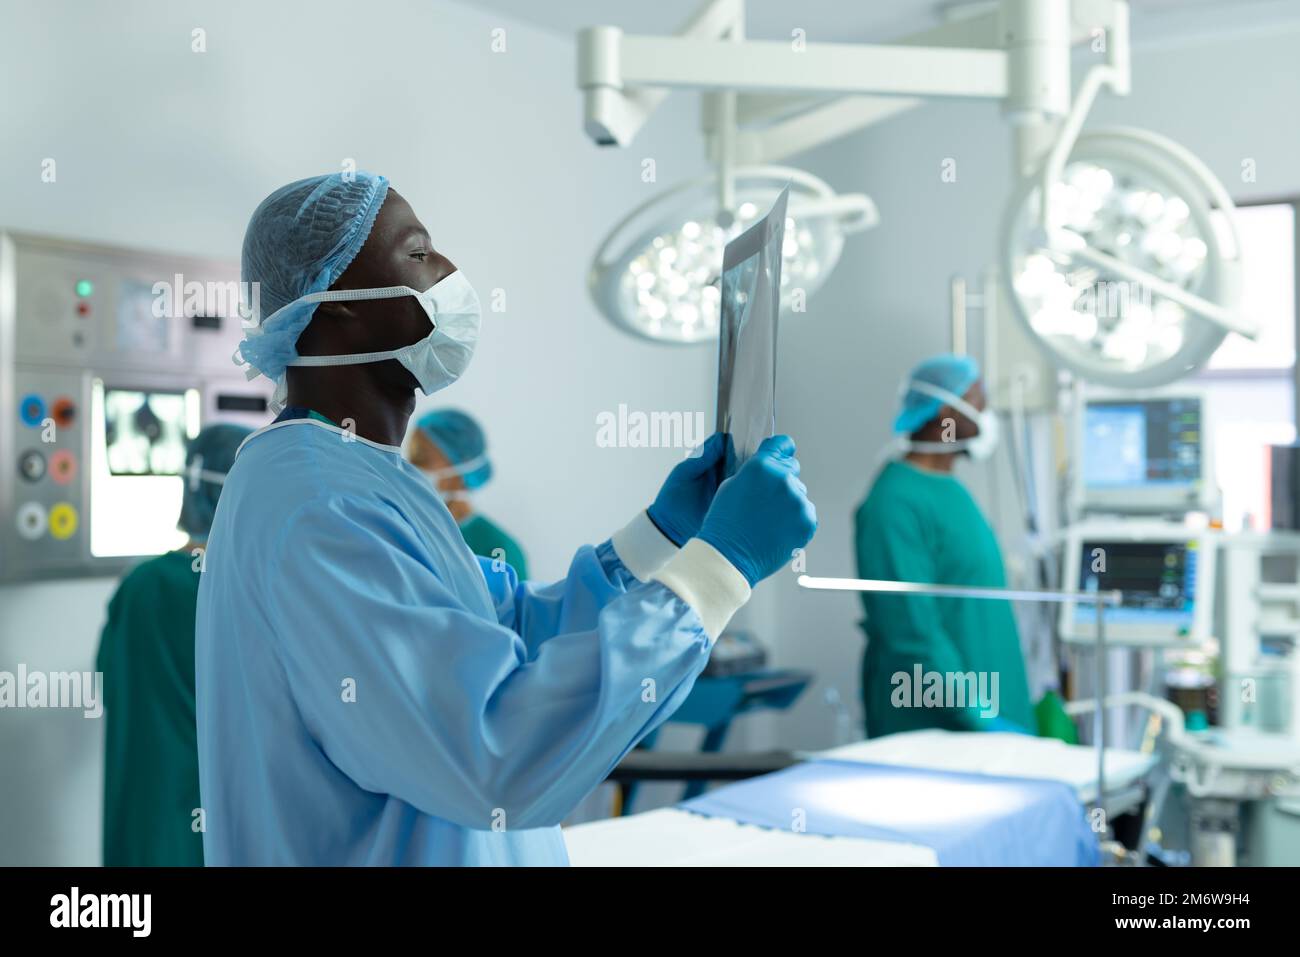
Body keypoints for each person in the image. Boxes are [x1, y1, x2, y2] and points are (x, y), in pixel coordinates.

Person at [195, 171, 817, 866]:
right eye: (419, 252)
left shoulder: (360, 476)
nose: (449, 270)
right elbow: (494, 749)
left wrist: (663, 536)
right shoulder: (321, 506)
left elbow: (506, 632)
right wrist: (721, 569)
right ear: (337, 301)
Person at [96, 422, 251, 866]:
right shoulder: (248, 592)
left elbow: (107, 683)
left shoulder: (139, 587)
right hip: (224, 819)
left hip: (147, 812)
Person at [854, 354, 1033, 738]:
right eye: (979, 400)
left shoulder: (952, 491)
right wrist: (976, 715)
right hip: (938, 728)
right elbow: (910, 632)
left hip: (991, 715)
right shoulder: (893, 504)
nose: (987, 413)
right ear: (945, 413)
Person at [408, 407, 528, 578]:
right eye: (411, 457)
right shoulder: (407, 530)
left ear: (462, 465)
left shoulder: (498, 548)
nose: (410, 467)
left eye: (422, 458)